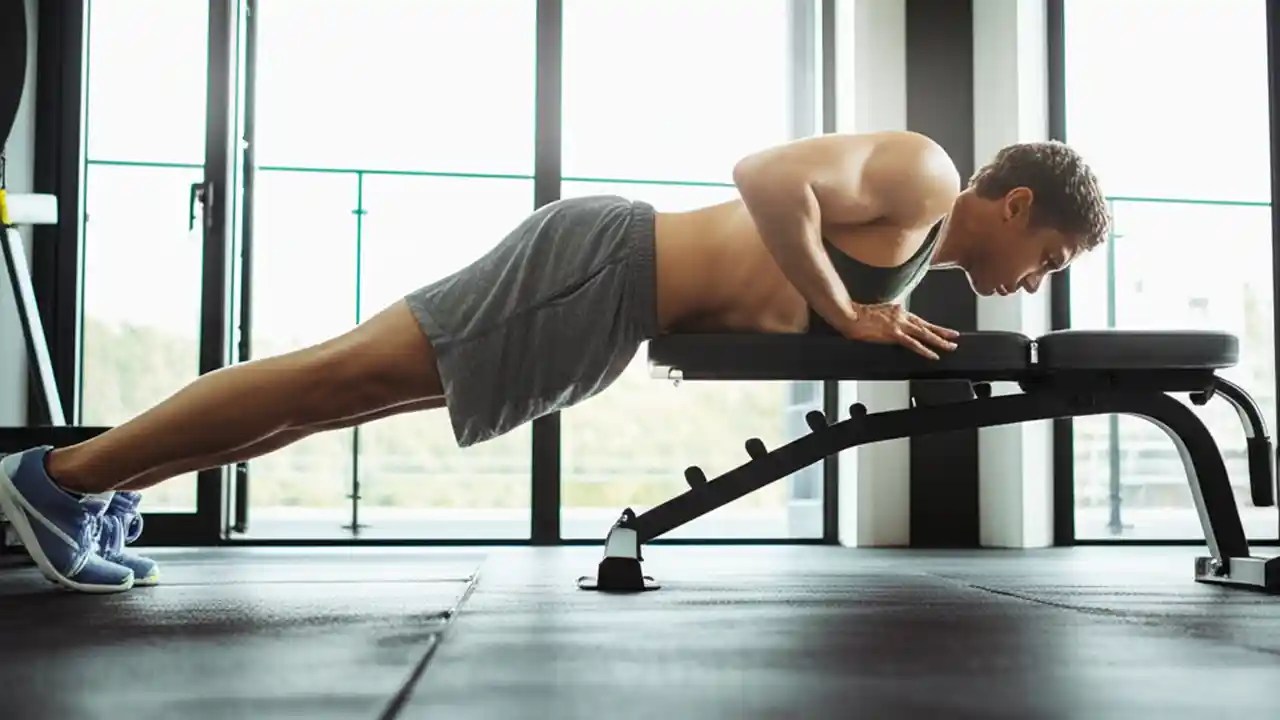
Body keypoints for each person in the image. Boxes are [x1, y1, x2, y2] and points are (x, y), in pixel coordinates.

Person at [0, 131, 1109, 593]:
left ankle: (93, 488)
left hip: (606, 297)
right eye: (1048, 256)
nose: (1037, 279)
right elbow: (765, 174)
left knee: (337, 400)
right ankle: (59, 481)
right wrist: (841, 311)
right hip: (604, 267)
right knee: (327, 378)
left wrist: (856, 316)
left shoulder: (917, 262)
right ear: (1014, 204)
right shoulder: (922, 173)